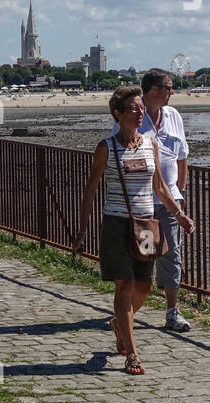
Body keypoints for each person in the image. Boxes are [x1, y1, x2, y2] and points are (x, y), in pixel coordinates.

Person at [73, 86, 194, 375]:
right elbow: (90, 190)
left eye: (141, 108)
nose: (140, 113)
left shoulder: (150, 145)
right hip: (117, 223)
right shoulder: (106, 147)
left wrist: (179, 214)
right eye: (134, 109)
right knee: (124, 286)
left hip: (146, 224)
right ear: (118, 113)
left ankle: (119, 323)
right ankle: (133, 353)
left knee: (145, 287)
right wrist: (81, 230)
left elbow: (160, 187)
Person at [138, 68, 193, 331]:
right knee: (145, 254)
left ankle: (172, 311)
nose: (173, 92)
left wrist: (179, 193)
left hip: (171, 202)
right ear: (154, 91)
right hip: (144, 203)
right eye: (169, 87)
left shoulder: (173, 116)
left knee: (172, 253)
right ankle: (132, 306)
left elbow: (182, 156)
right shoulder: (134, 115)